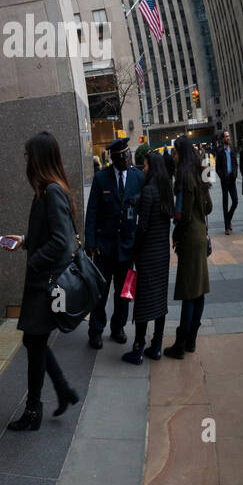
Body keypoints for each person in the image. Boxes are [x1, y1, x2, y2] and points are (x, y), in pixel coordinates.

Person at [0, 131, 81, 431]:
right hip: (42, 284)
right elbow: (49, 235)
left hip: (45, 286)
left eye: (27, 155)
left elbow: (62, 242)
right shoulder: (45, 191)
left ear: (39, 159)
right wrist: (23, 241)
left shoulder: (52, 193)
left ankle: (35, 409)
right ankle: (62, 391)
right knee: (34, 342)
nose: (25, 161)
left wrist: (34, 259)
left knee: (33, 342)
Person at [84, 137, 144, 349]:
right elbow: (92, 212)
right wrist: (90, 242)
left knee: (124, 293)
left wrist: (140, 244)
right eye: (123, 158)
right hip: (104, 248)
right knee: (100, 292)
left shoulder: (138, 177)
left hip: (127, 249)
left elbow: (143, 212)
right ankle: (96, 330)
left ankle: (118, 327)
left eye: (128, 155)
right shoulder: (102, 178)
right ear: (114, 160)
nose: (127, 160)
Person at [122, 151, 172, 364]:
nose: (143, 170)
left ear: (152, 168)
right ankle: (157, 346)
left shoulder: (150, 191)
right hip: (163, 255)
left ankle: (138, 347)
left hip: (148, 255)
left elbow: (142, 228)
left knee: (142, 300)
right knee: (160, 299)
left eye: (145, 166)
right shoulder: (166, 191)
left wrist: (135, 251)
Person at [165, 136, 212, 359]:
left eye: (174, 153)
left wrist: (176, 234)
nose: (173, 156)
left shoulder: (183, 176)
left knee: (188, 293)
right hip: (201, 235)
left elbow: (180, 215)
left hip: (190, 239)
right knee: (199, 291)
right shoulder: (202, 170)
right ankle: (191, 341)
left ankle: (181, 345)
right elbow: (209, 206)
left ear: (180, 154)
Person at [217, 130, 238, 234]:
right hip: (225, 180)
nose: (228, 138)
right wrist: (222, 177)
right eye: (226, 136)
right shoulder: (220, 151)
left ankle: (229, 218)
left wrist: (235, 174)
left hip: (232, 179)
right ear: (223, 139)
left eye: (229, 136)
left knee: (235, 201)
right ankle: (226, 227)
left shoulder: (232, 149)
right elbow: (217, 168)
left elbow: (235, 164)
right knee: (225, 203)